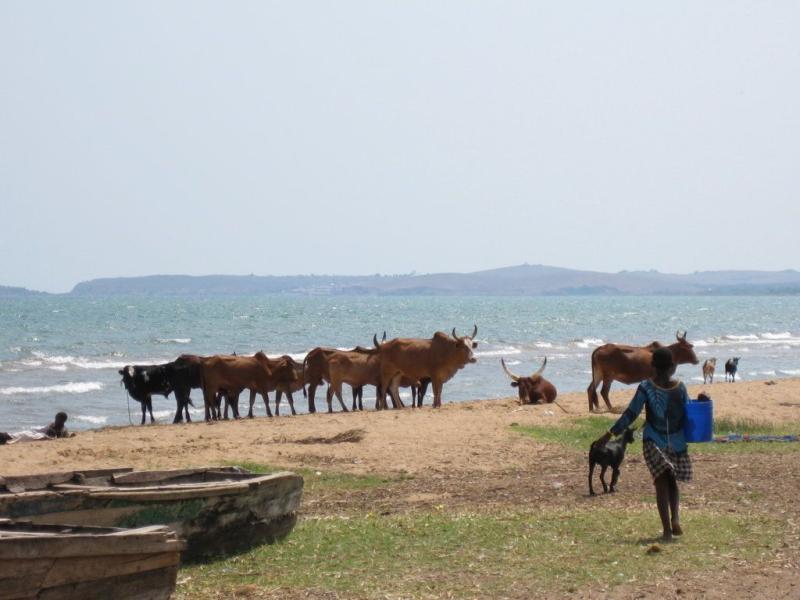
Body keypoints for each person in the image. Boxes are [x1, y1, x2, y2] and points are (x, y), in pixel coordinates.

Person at [594, 347, 692, 541]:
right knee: (672, 480)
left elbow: (631, 413)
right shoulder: (680, 387)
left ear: (653, 366)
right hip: (677, 441)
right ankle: (676, 518)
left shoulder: (647, 387)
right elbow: (689, 412)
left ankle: (666, 531)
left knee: (661, 482)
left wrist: (609, 434)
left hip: (653, 440)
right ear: (672, 367)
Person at [0, 412, 73, 444]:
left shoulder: (63, 430)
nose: (56, 420)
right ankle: (4, 436)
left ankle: (4, 437)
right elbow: (43, 429)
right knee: (23, 433)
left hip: (40, 436)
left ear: (63, 420)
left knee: (24, 436)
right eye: (56, 418)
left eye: (58, 419)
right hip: (38, 433)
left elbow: (62, 437)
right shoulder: (53, 424)